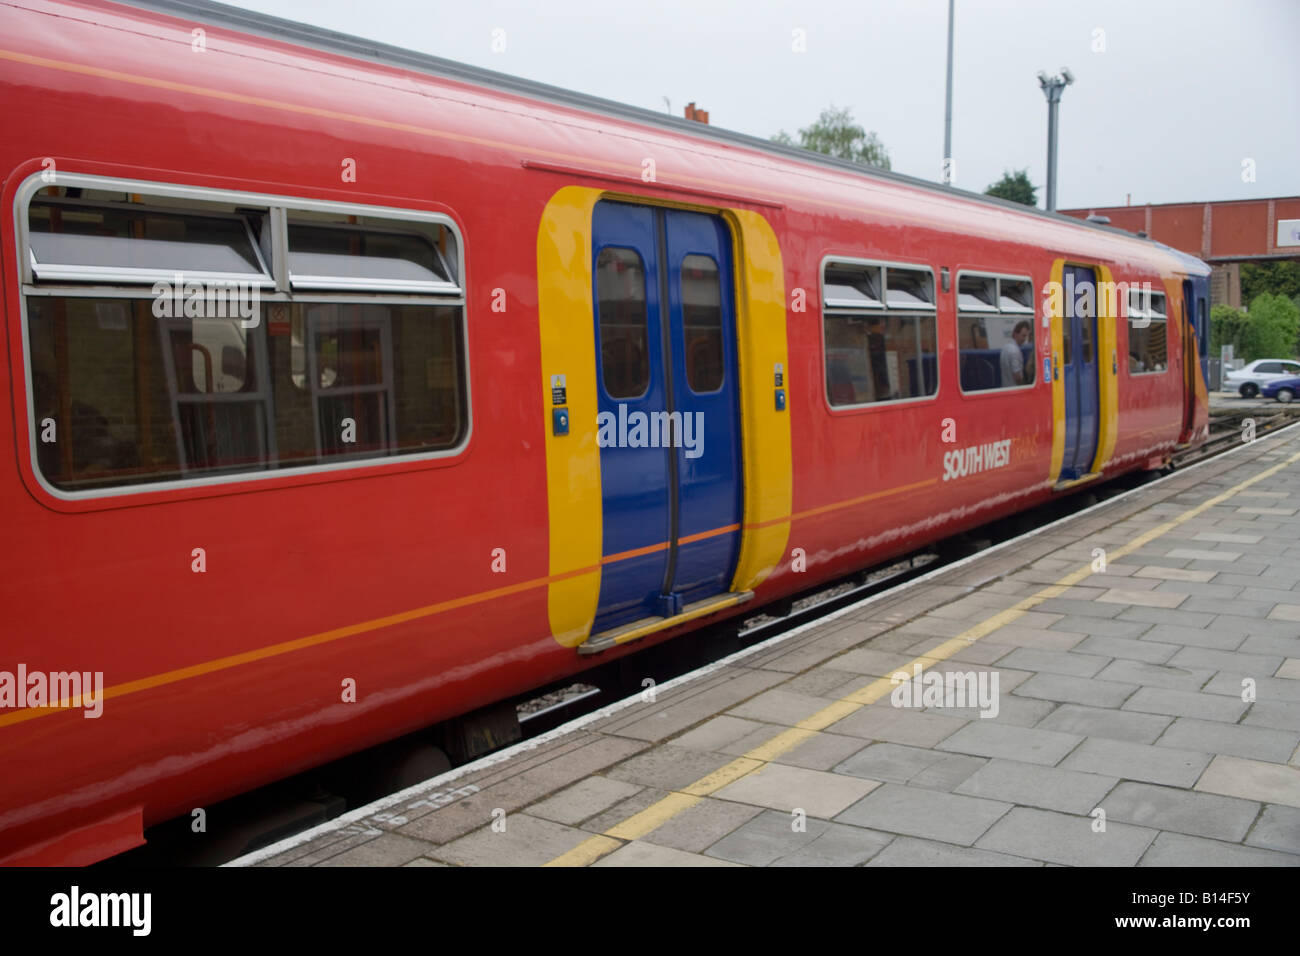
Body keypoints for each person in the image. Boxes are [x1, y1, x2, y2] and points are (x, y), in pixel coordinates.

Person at [1000, 321, 1031, 386]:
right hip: (1015, 388)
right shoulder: (1015, 351)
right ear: (1016, 334)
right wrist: (1024, 386)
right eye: (1023, 336)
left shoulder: (1005, 347)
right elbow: (1017, 376)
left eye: (1026, 336)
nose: (1025, 339)